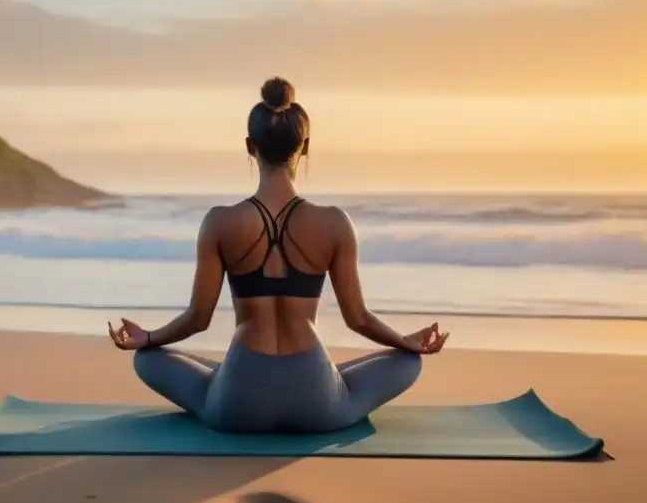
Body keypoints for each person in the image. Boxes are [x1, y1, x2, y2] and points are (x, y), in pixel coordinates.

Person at [107, 77, 448, 433]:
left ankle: (223, 383)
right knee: (409, 362)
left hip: (238, 404)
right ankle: (328, 384)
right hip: (317, 403)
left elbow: (198, 319)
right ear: (306, 147)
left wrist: (147, 338)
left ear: (250, 147)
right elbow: (358, 319)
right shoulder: (334, 223)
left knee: (147, 360)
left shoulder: (219, 222)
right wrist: (404, 341)